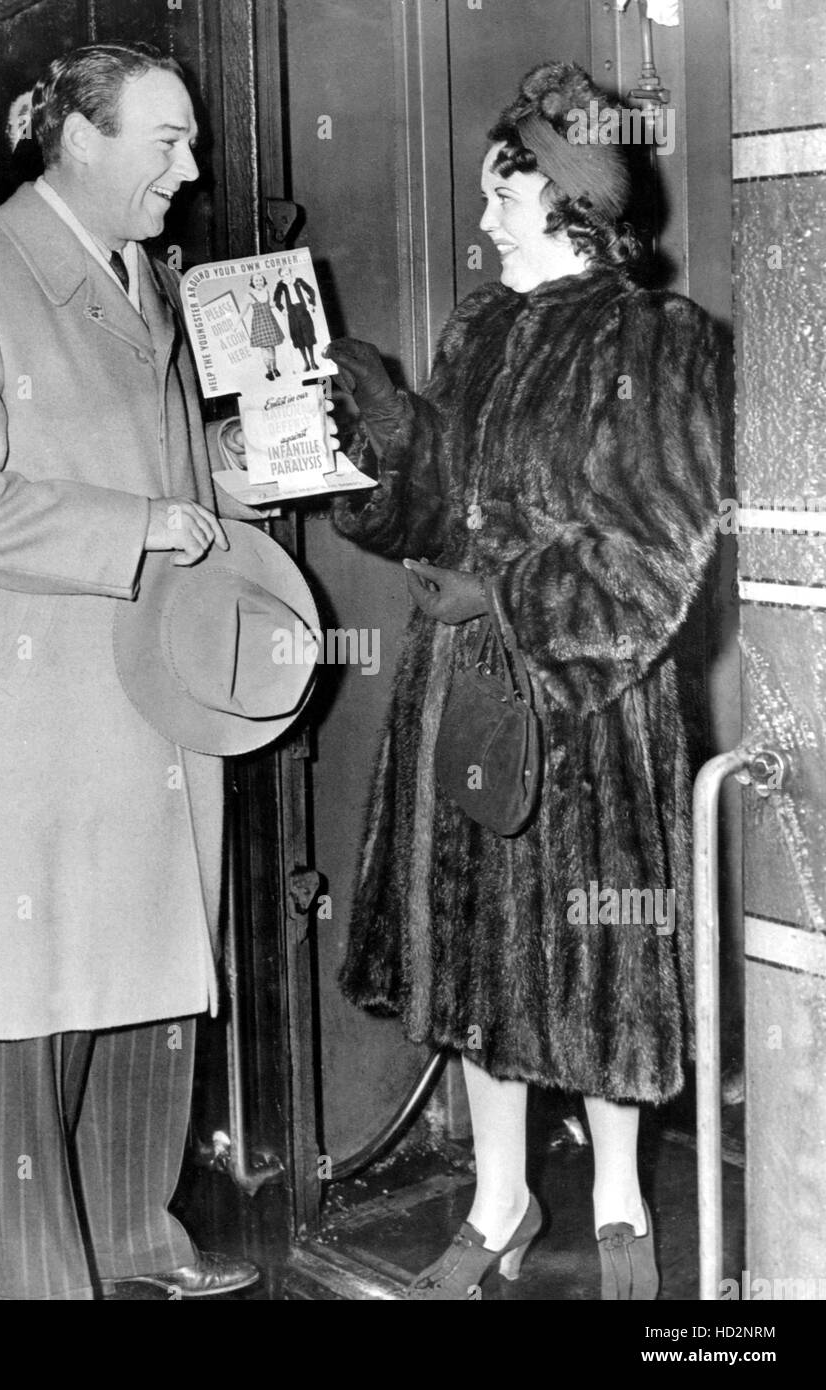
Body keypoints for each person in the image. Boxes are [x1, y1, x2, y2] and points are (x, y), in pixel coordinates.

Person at [0, 42, 264, 1301]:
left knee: (149, 966)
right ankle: (40, 1286)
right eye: (167, 141)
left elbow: (173, 488)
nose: (190, 171)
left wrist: (242, 480)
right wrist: (132, 526)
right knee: (26, 1000)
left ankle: (137, 1236)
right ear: (80, 142)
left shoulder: (151, 285)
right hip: (26, 720)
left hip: (148, 700)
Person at [326, 61, 723, 1301]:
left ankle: (614, 1205)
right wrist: (385, 444)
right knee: (471, 966)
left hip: (587, 705)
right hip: (459, 694)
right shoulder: (478, 330)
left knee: (595, 970)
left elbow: (657, 551)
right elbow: (431, 506)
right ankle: (497, 1201)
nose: (482, 218)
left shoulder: (662, 344)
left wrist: (505, 600)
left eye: (502, 194)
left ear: (564, 201)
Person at [274, 266, 319, 371]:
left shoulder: (298, 281)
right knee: (298, 338)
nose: (286, 277)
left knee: (308, 336)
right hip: (292, 313)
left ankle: (313, 361)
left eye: (287, 274)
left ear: (291, 273)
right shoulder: (281, 285)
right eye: (283, 275)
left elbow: (311, 290)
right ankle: (306, 363)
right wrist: (282, 309)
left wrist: (311, 303)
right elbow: (276, 300)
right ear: (281, 277)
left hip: (302, 310)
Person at [244, 272, 285, 379]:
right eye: (256, 280)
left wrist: (277, 306)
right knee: (264, 349)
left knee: (272, 347)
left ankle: (275, 368)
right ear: (252, 282)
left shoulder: (268, 292)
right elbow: (243, 311)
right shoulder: (249, 295)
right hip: (259, 324)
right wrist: (235, 325)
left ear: (264, 281)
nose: (258, 282)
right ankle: (269, 371)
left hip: (270, 322)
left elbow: (272, 305)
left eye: (260, 280)